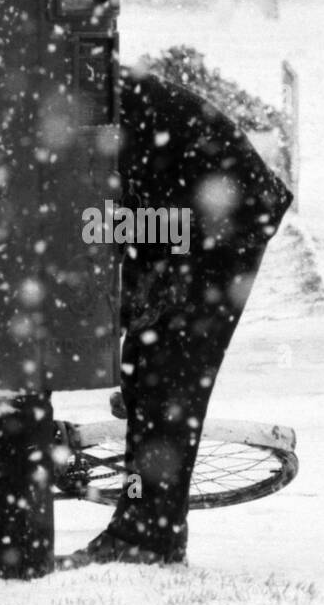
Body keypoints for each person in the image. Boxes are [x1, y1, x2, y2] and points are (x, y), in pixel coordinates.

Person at [60, 66, 293, 567]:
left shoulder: (77, 115)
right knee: (147, 369)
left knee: (169, 379)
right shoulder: (82, 103)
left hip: (218, 216)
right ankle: (145, 526)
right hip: (180, 212)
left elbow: (98, 235)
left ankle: (148, 538)